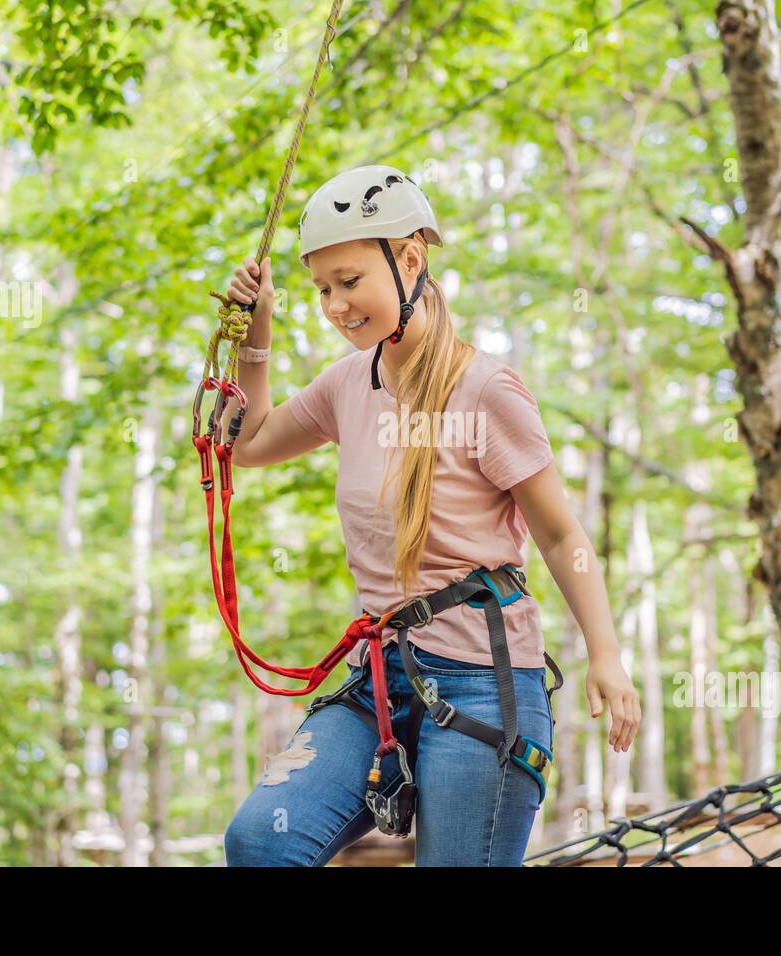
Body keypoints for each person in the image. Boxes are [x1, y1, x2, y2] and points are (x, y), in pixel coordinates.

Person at [219, 164, 640, 865]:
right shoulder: (347, 383)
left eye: (350, 282)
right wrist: (255, 336)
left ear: (409, 259)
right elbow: (250, 443)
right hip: (383, 677)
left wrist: (608, 655)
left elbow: (561, 533)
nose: (334, 305)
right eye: (322, 288)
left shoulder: (487, 392)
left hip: (484, 681)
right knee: (262, 840)